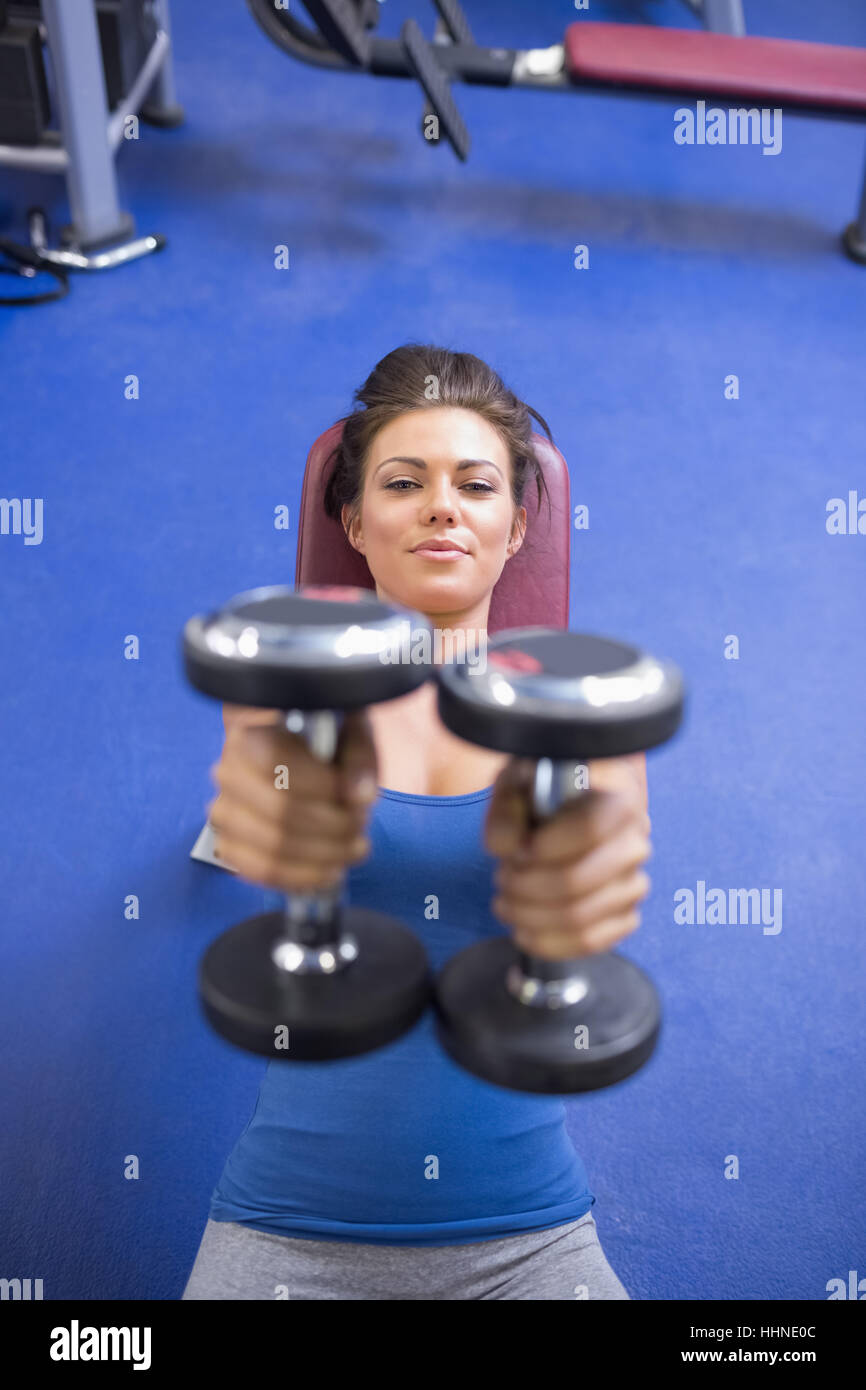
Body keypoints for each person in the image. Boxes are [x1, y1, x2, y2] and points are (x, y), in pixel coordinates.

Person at [182, 344, 652, 1300]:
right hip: (286, 1227)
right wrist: (262, 808)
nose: (444, 505)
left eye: (475, 485)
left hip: (530, 1237)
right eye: (406, 482)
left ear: (517, 529)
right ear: (353, 522)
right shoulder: (286, 704)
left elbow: (610, 857)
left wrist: (590, 869)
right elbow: (260, 790)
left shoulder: (589, 717)